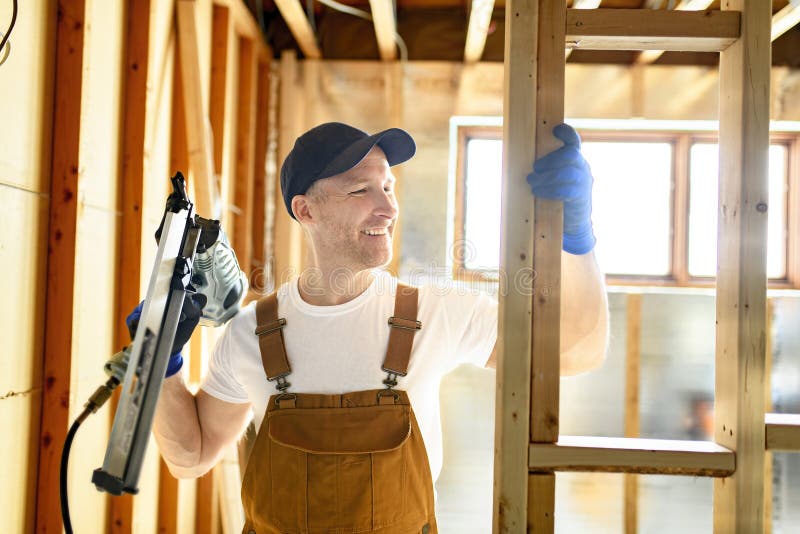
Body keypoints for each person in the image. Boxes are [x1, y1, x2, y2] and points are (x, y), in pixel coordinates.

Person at [150, 122, 608, 533]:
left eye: (388, 187)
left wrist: (577, 237)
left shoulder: (434, 312)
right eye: (361, 191)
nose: (387, 208)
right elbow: (191, 456)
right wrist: (162, 362)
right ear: (306, 211)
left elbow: (575, 352)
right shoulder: (251, 333)